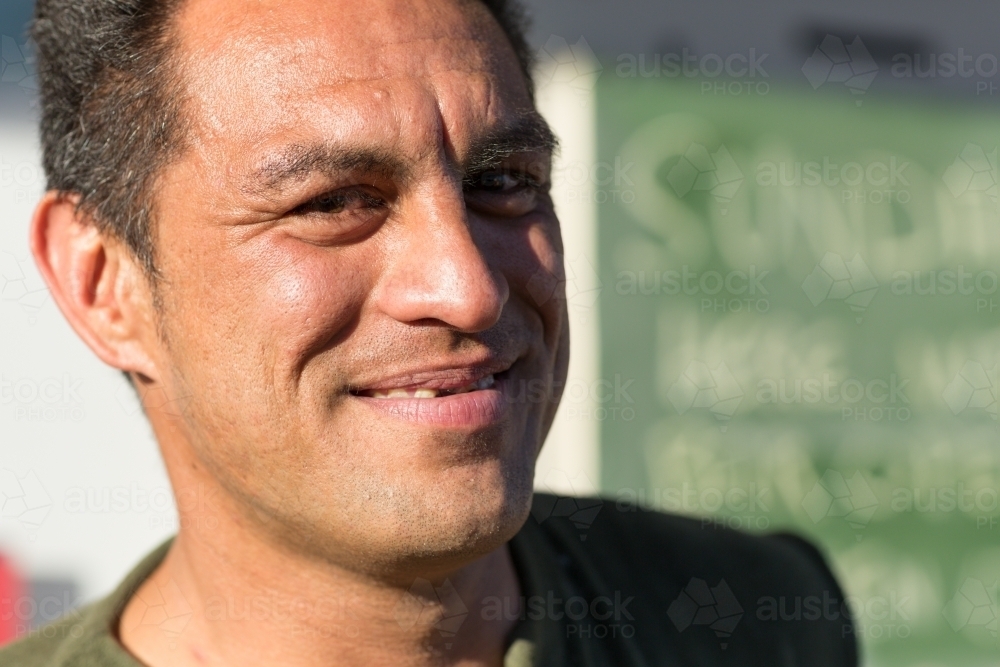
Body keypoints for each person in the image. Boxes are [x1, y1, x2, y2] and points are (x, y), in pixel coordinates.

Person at [1, 0, 857, 664]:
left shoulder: (749, 615)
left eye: (503, 179)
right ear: (103, 283)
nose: (468, 287)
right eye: (334, 203)